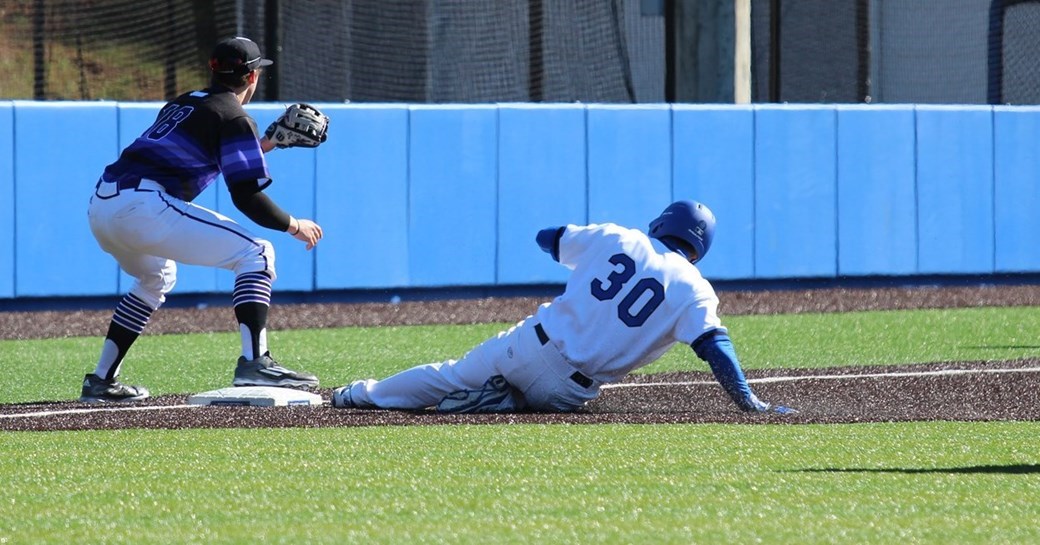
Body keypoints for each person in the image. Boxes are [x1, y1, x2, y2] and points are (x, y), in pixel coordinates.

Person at [331, 200, 795, 415]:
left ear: (661, 223)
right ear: (701, 250)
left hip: (529, 347)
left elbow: (547, 238)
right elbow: (717, 348)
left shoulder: (622, 237)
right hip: (568, 394)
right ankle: (508, 402)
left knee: (447, 375)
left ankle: (358, 394)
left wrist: (586, 259)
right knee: (541, 398)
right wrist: (748, 402)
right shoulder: (696, 290)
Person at [81, 37, 324, 403]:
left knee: (156, 276)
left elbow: (207, 149)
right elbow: (246, 195)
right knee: (257, 253)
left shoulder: (186, 102)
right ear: (253, 77)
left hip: (103, 205)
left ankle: (102, 380)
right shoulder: (236, 116)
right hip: (143, 206)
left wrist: (268, 143)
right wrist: (294, 224)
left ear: (214, 70)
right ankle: (255, 362)